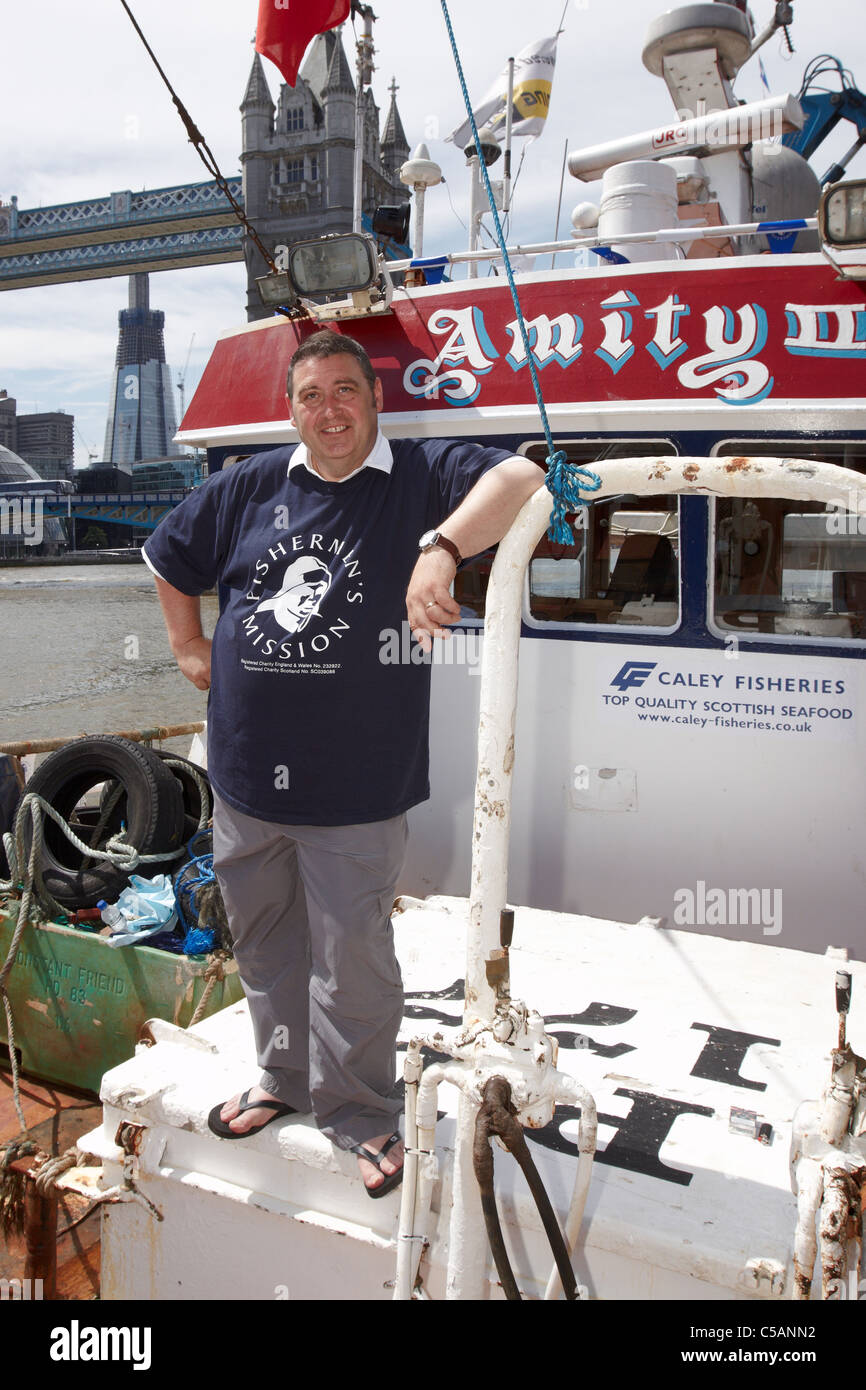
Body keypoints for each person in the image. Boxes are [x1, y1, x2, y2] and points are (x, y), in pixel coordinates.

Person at [143, 328, 544, 1195]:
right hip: (245, 775)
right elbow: (170, 557)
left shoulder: (423, 477)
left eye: (345, 391)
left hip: (356, 787)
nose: (328, 410)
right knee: (265, 943)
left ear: (375, 399)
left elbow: (522, 477)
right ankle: (281, 1082)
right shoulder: (248, 484)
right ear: (291, 410)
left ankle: (359, 1113)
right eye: (310, 395)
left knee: (352, 954)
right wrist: (186, 645)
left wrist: (441, 547)